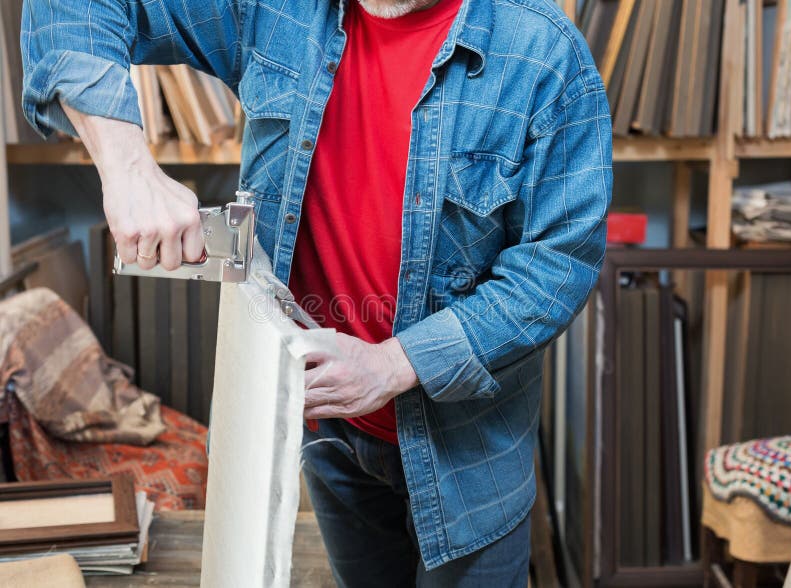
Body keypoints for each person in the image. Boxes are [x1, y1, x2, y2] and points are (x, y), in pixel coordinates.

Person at [21, 0, 612, 585]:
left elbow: (557, 266)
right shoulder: (271, 11)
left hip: (468, 461)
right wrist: (126, 168)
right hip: (332, 442)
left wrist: (392, 363)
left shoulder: (543, 53)